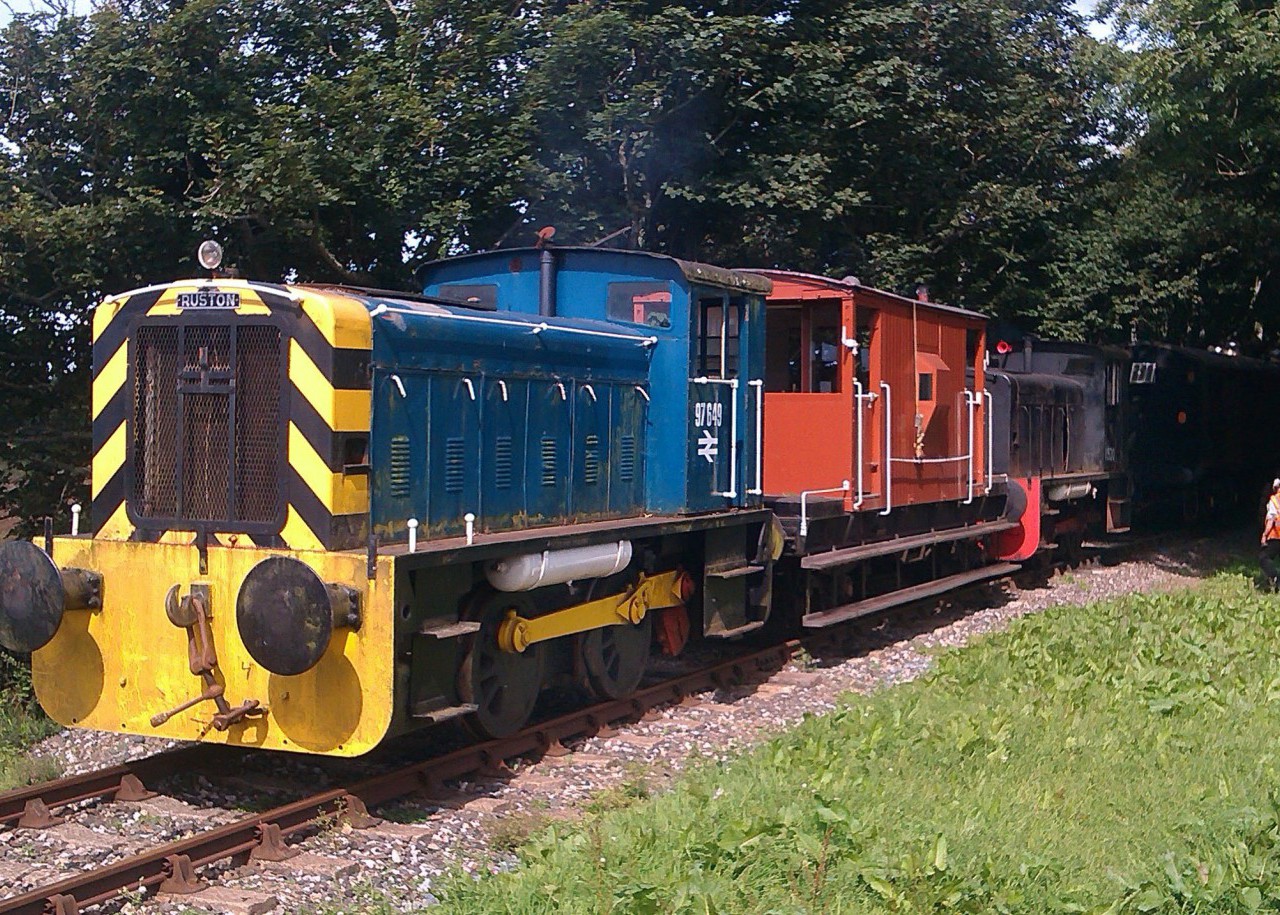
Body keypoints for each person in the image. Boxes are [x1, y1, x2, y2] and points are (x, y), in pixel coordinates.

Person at [1262, 479, 1280, 590]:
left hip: (1277, 536)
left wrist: (1264, 535)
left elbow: (1271, 519)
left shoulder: (1274, 500)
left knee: (1264, 558)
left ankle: (1275, 578)